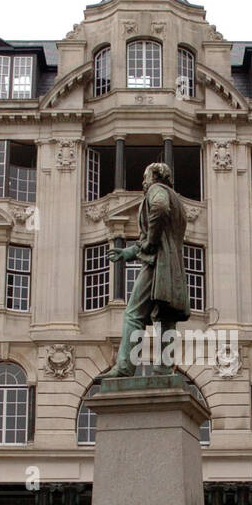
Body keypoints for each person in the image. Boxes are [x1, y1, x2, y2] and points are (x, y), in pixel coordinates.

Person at [98, 162, 190, 379]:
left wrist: (149, 242)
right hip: (173, 266)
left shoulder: (157, 191)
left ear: (156, 177)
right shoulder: (178, 201)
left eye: (145, 177)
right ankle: (164, 368)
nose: (143, 182)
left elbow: (159, 207)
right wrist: (129, 252)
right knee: (166, 318)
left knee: (133, 314)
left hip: (157, 262)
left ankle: (125, 366)